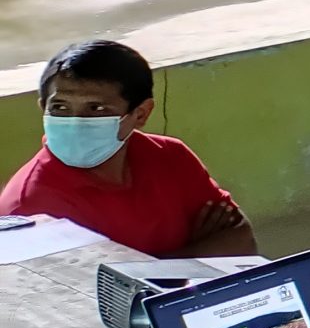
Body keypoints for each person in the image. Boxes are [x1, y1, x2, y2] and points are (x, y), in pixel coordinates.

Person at [3, 39, 255, 256]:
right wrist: (197, 254)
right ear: (42, 107)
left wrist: (139, 271)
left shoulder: (169, 156)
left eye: (97, 109)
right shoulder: (31, 207)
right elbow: (92, 299)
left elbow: (241, 240)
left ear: (141, 113)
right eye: (60, 108)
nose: (75, 121)